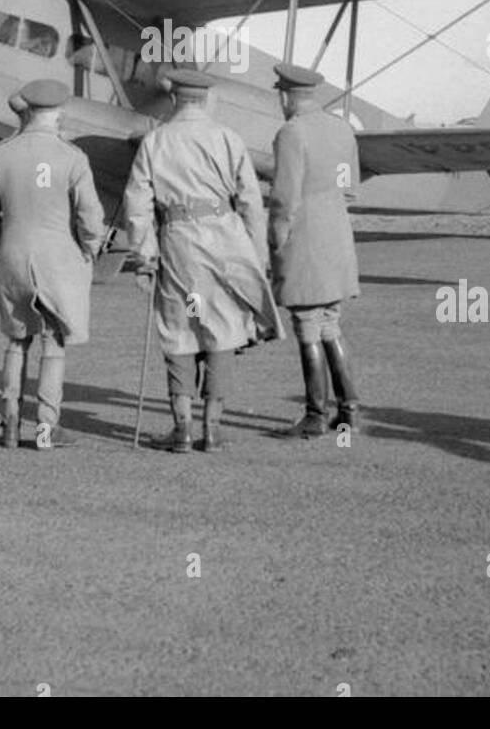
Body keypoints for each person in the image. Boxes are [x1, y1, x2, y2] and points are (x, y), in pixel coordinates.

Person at [123, 68, 282, 453]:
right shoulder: (228, 138)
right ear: (206, 99)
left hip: (181, 248)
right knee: (222, 326)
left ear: (174, 98)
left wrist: (145, 256)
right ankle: (211, 430)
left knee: (183, 323)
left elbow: (138, 204)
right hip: (226, 243)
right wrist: (257, 257)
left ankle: (183, 429)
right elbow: (250, 201)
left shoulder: (155, 141)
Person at [0, 79, 106, 450]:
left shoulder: (3, 152)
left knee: (17, 339)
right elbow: (90, 216)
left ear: (28, 110)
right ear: (58, 113)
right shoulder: (72, 157)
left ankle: (10, 423)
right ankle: (46, 430)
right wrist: (90, 249)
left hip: (12, 256)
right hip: (57, 262)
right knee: (53, 342)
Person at [268, 63, 361, 437]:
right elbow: (350, 188)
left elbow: (285, 198)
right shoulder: (342, 129)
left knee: (307, 323)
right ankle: (349, 410)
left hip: (304, 237)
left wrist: (276, 237)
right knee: (329, 321)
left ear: (286, 96)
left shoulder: (292, 132)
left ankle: (314, 415)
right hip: (337, 234)